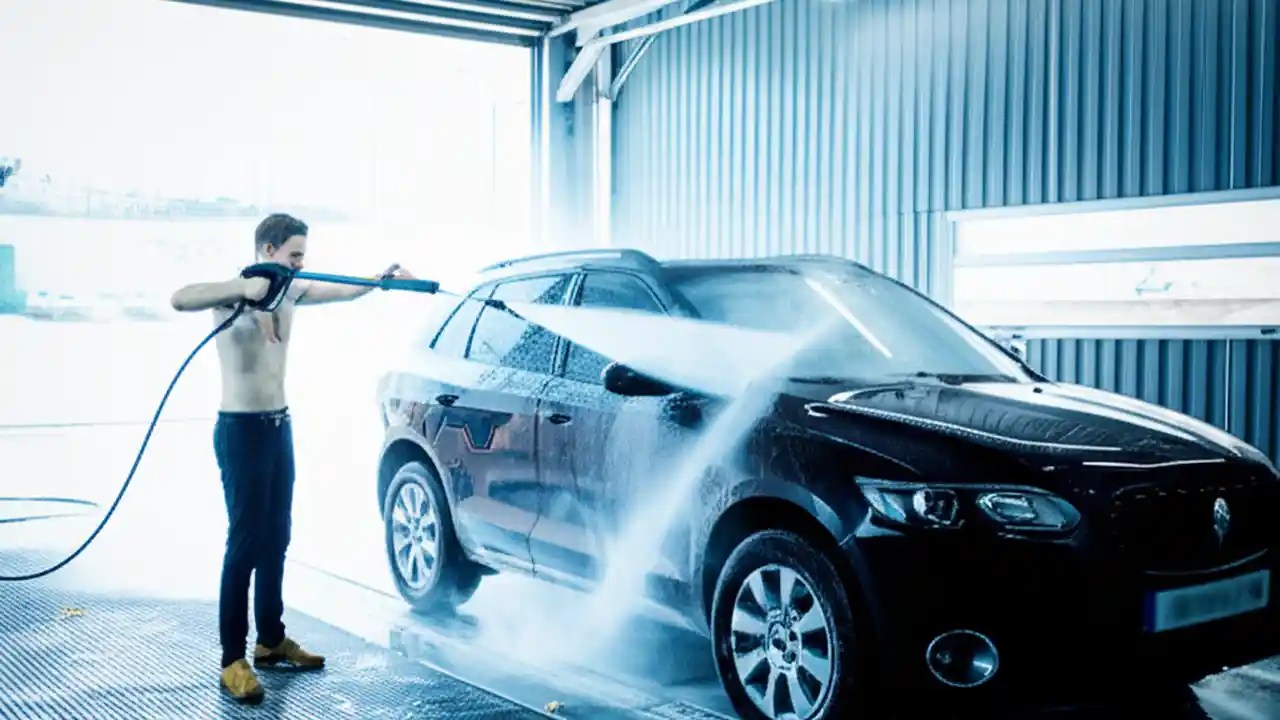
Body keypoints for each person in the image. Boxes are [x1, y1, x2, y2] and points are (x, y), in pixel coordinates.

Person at [169, 212, 415, 703]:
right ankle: (231, 660)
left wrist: (380, 278)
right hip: (241, 432)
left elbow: (345, 290)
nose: (302, 263)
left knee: (277, 536)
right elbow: (180, 298)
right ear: (268, 251)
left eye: (304, 255)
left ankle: (270, 640)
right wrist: (245, 286)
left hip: (279, 428)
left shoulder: (294, 291)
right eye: (295, 255)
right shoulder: (236, 295)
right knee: (244, 542)